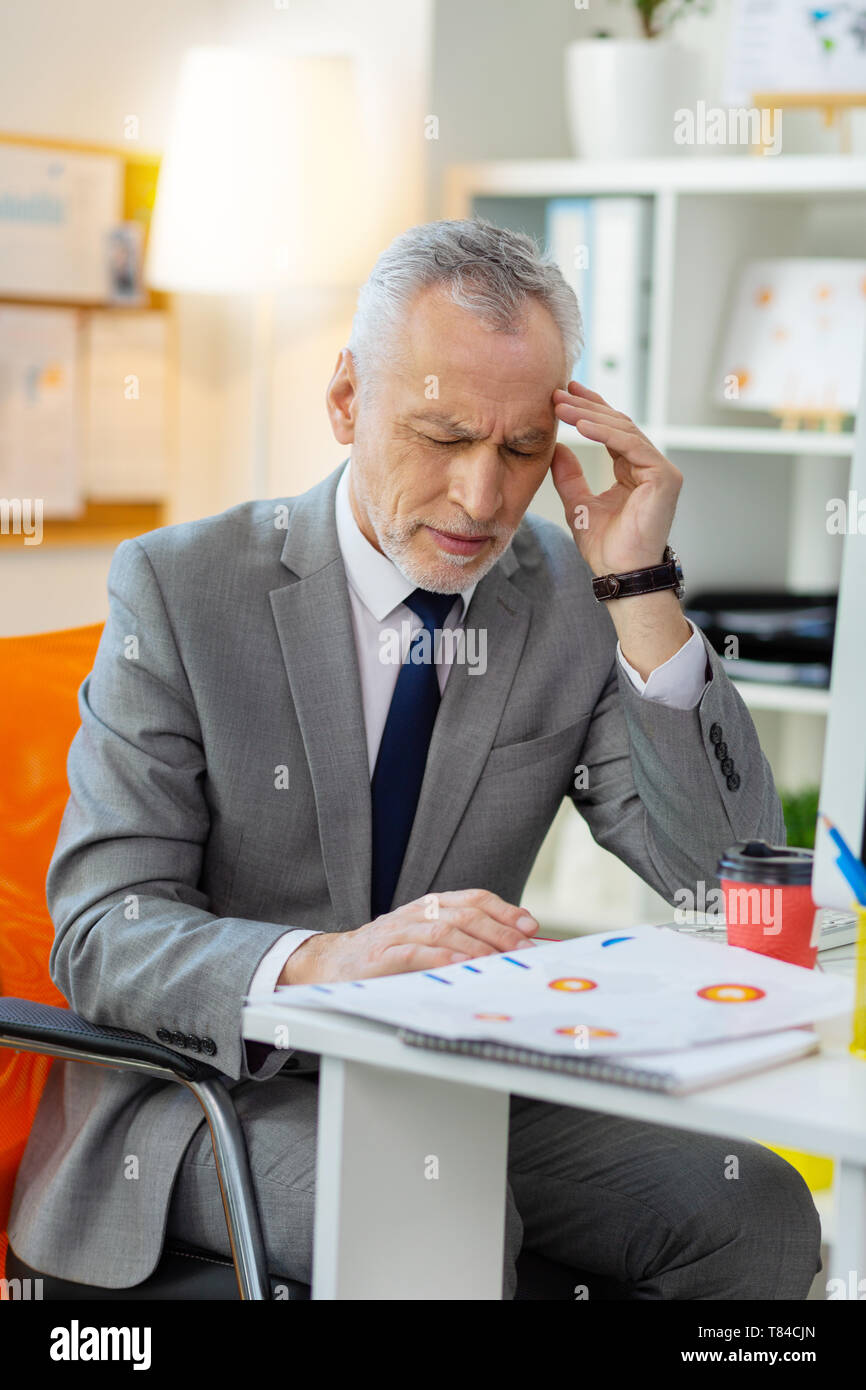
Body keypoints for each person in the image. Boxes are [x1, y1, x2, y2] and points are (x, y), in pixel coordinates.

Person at [8, 218, 821, 1298]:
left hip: (453, 1084)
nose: (481, 500)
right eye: (440, 436)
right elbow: (106, 935)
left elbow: (724, 878)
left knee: (752, 1209)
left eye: (521, 449)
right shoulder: (179, 585)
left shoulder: (571, 595)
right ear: (346, 399)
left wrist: (639, 592)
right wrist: (323, 959)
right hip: (206, 1095)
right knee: (429, 1216)